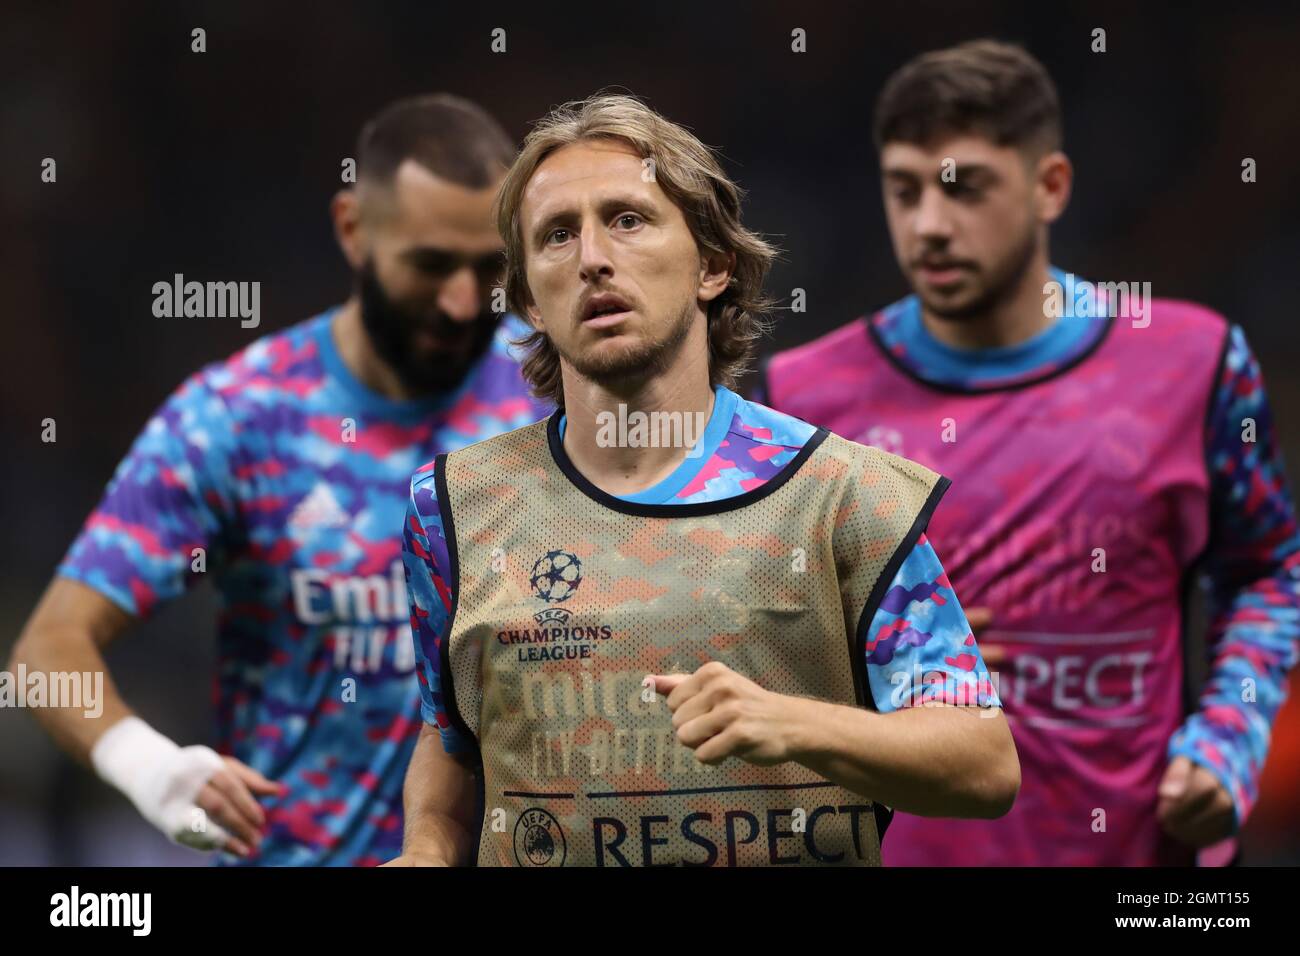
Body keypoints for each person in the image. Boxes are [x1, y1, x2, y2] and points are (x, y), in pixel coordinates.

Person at [393, 92, 1017, 868]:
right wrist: (426, 848)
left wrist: (796, 726)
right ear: (529, 303)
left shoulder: (843, 497)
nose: (592, 256)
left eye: (627, 219)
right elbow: (450, 739)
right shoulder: (451, 508)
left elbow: (984, 763)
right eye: (557, 235)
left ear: (713, 267)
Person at [762, 40, 1300, 866]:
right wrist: (854, 664)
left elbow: (1268, 570)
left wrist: (1229, 739)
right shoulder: (807, 395)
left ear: (1050, 186)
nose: (930, 225)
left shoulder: (1192, 364)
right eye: (903, 191)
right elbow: (758, 632)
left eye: (964, 189)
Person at [8, 94, 549, 866]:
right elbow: (48, 650)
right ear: (353, 230)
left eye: (488, 268)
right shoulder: (239, 418)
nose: (463, 302)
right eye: (430, 265)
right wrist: (152, 768)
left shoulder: (552, 391)